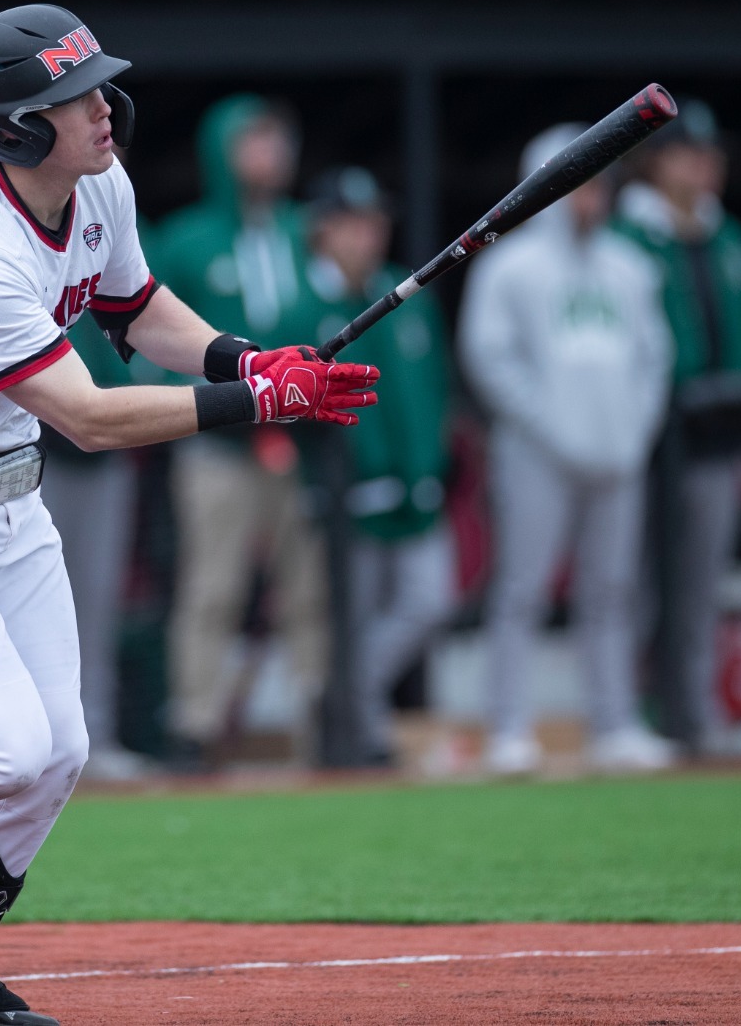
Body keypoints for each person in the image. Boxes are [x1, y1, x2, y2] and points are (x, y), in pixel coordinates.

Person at [0, 4, 377, 1026]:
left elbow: (135, 310)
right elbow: (86, 415)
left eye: (93, 84)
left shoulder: (99, 185)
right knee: (3, 747)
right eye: (69, 96)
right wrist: (256, 400)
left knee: (59, 750)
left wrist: (244, 358)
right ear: (14, 126)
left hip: (6, 491)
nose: (99, 108)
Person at [460, 126, 676, 776]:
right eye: (577, 184)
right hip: (537, 454)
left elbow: (654, 358)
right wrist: (552, 427)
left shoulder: (632, 268)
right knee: (522, 589)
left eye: (600, 183)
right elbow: (489, 358)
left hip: (617, 455)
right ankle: (508, 729)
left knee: (612, 590)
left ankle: (614, 724)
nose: (592, 197)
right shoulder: (509, 264)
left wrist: (635, 431)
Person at [151, 94, 329, 767]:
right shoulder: (187, 239)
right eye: (255, 140)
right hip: (218, 445)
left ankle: (319, 719)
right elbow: (153, 346)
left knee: (308, 587)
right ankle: (192, 727)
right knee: (213, 584)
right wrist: (223, 405)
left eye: (279, 139)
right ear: (222, 151)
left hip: (301, 444)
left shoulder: (302, 229)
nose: (272, 153)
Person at [613, 100, 741, 751]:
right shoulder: (629, 238)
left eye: (712, 155)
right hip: (643, 442)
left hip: (714, 443)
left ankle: (694, 713)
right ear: (654, 161)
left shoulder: (731, 238)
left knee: (702, 585)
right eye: (690, 153)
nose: (706, 167)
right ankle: (627, 715)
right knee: (637, 586)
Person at [304, 167, 456, 766]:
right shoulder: (305, 299)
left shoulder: (408, 293)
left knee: (430, 600)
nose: (368, 236)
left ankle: (348, 699)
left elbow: (436, 389)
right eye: (353, 224)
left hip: (418, 488)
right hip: (345, 494)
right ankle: (358, 735)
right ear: (324, 229)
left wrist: (432, 463)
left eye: (374, 224)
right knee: (348, 615)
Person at [37, 313, 157, 782]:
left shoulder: (103, 264)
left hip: (105, 457)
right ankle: (31, 745)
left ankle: (89, 739)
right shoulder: (15, 257)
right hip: (33, 454)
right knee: (25, 604)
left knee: (95, 602)